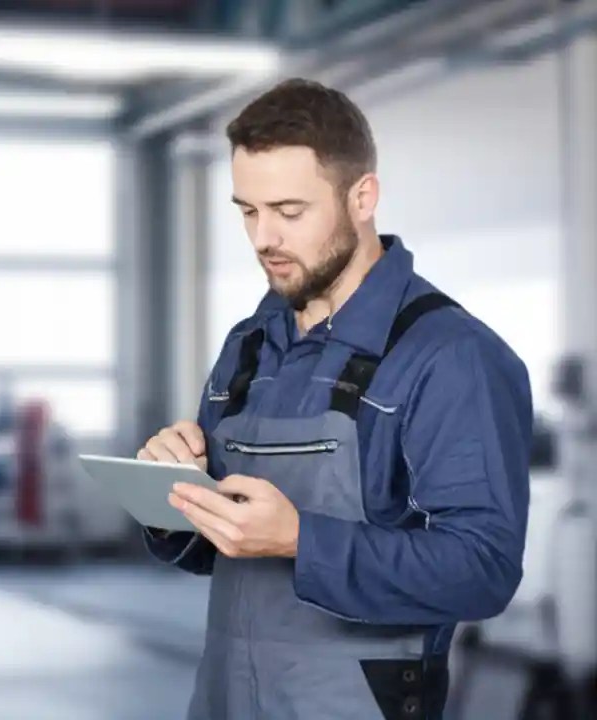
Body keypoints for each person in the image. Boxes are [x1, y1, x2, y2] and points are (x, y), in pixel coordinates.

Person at [141, 78, 532, 720]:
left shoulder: (449, 357)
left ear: (362, 197)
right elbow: (221, 545)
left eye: (290, 212)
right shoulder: (248, 345)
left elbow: (483, 567)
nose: (264, 237)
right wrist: (172, 496)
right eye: (247, 210)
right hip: (224, 701)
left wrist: (301, 539)